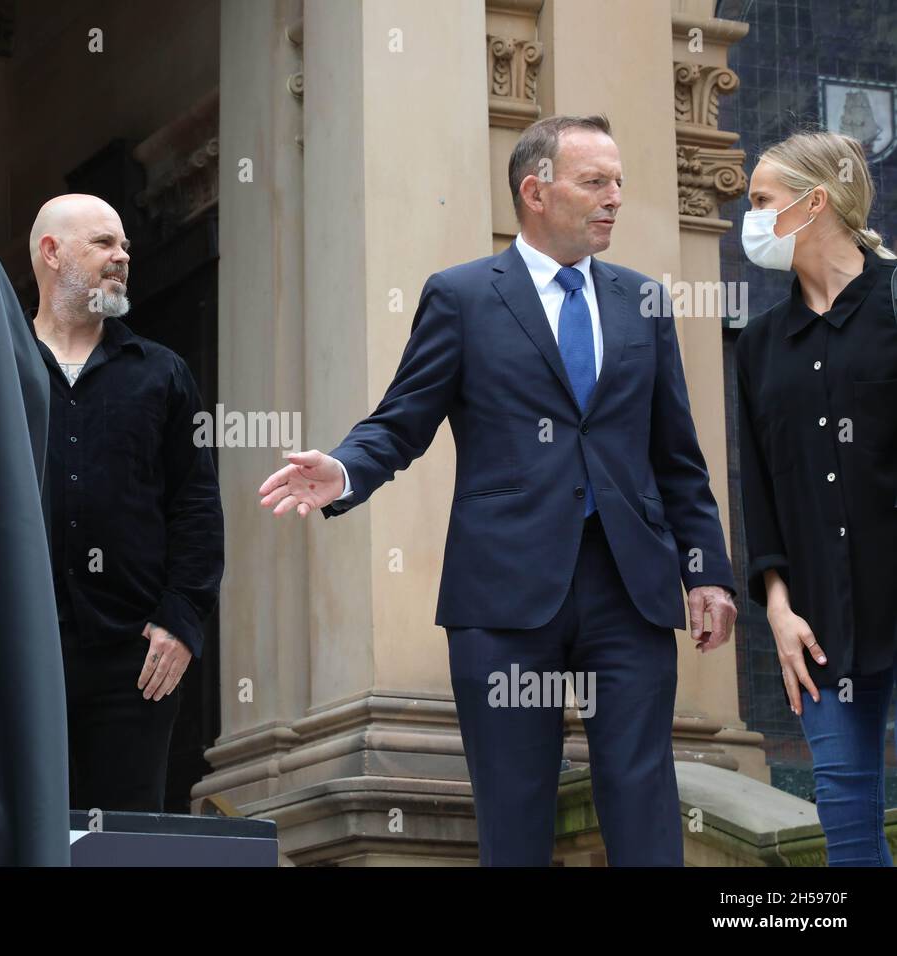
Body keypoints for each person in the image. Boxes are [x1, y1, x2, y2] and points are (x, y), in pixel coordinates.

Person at [258, 115, 737, 865]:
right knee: (514, 815)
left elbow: (677, 455)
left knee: (643, 798)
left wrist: (705, 572)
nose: (615, 197)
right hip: (504, 593)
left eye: (619, 182)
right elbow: (401, 422)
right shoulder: (462, 297)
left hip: (629, 586)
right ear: (534, 190)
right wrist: (346, 469)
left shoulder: (643, 300)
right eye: (595, 181)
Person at [27, 193, 224, 813]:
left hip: (135, 659)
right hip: (19, 648)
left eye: (126, 248)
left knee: (123, 844)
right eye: (103, 244)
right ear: (51, 253)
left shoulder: (161, 373)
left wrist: (182, 620)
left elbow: (196, 506)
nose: (122, 258)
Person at [735, 131, 897, 866]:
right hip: (818, 623)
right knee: (849, 831)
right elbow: (761, 488)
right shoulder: (762, 344)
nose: (753, 217)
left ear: (815, 202)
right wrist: (776, 605)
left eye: (763, 200)